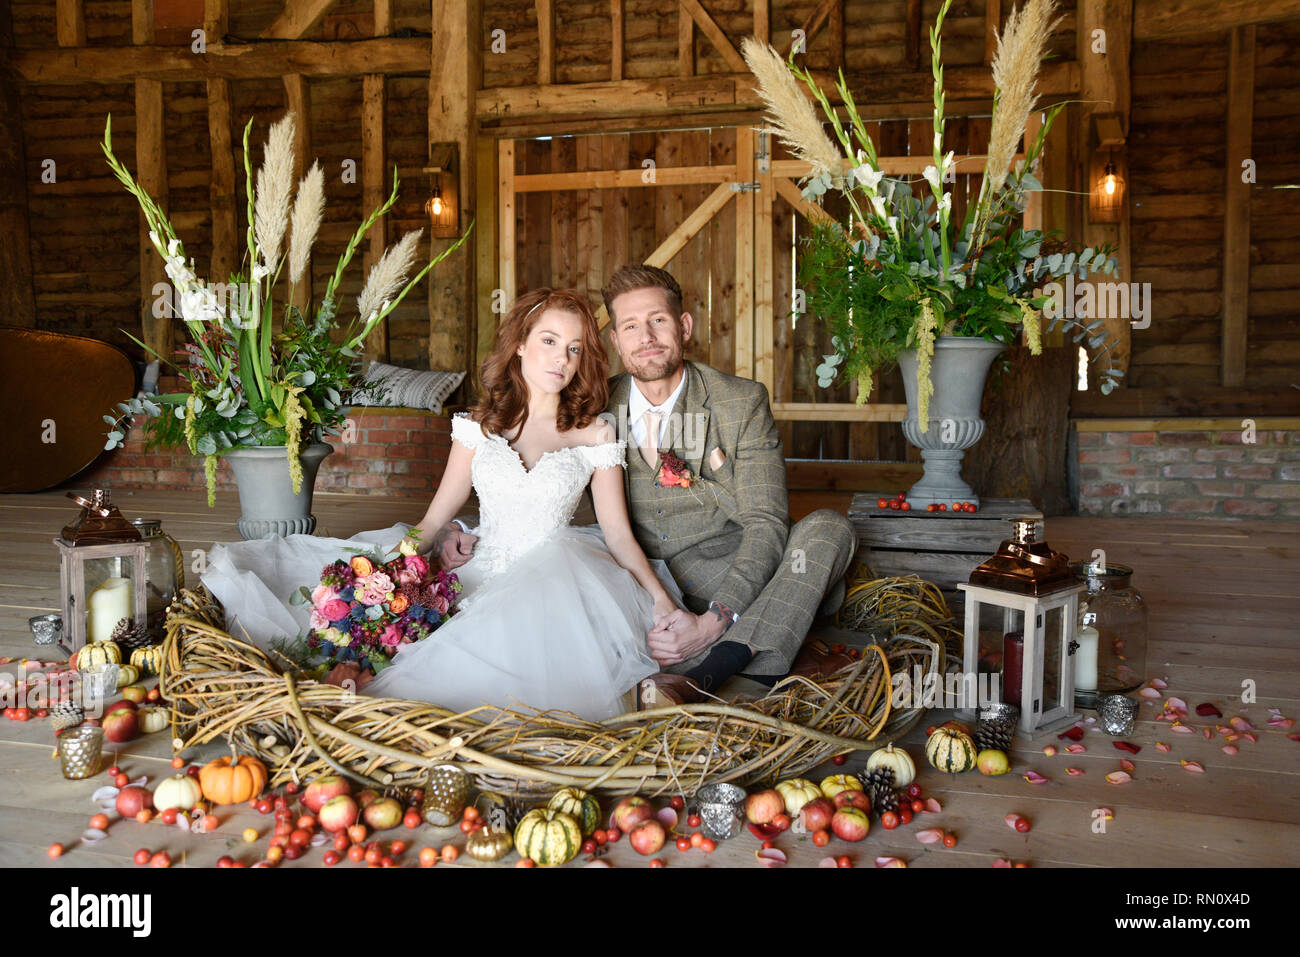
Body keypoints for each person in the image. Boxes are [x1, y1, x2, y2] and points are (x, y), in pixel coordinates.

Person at [327, 289, 679, 721]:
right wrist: (384, 580)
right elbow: (435, 518)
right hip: (479, 568)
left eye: (573, 349)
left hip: (557, 584)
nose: (561, 360)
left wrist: (660, 598)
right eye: (549, 341)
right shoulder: (478, 428)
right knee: (423, 657)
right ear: (520, 345)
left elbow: (618, 534)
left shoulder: (595, 435)